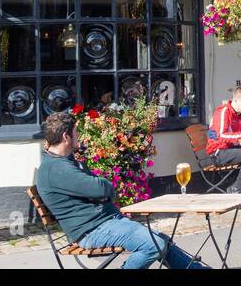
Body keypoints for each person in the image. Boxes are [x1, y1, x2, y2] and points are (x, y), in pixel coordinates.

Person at [36, 110, 208, 269]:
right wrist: (103, 187)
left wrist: (101, 188)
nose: (78, 136)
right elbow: (102, 188)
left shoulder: (66, 162)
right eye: (75, 132)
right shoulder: (56, 169)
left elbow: (99, 189)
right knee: (154, 245)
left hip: (106, 222)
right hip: (92, 230)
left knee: (162, 241)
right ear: (66, 136)